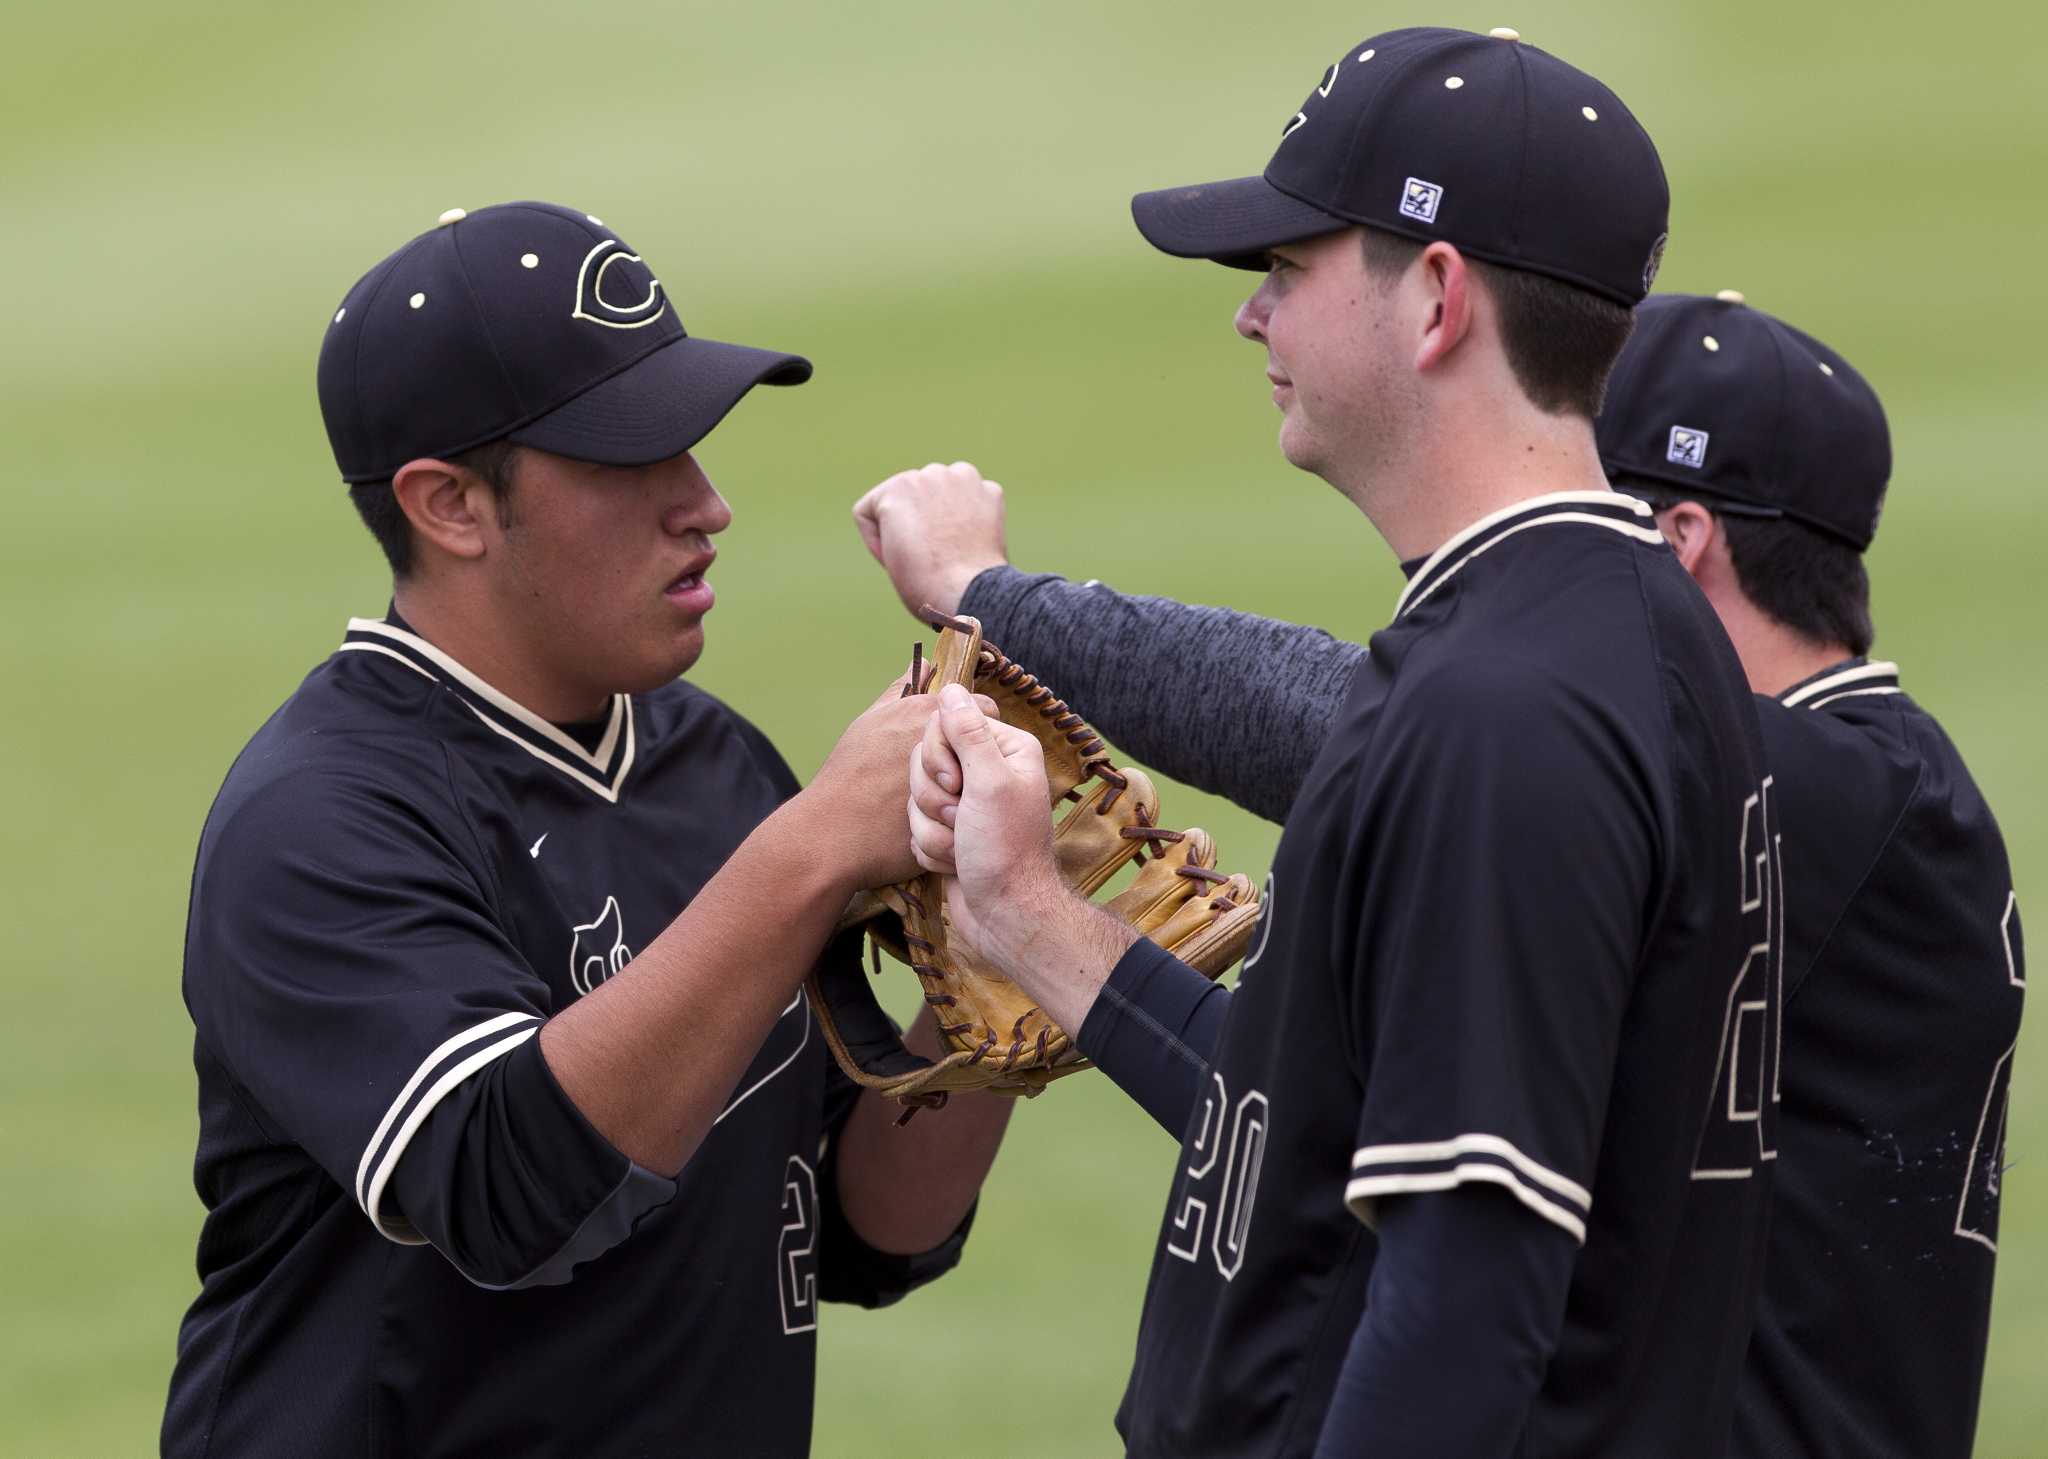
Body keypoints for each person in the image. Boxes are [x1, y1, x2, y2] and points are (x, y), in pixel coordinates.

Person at [862, 290, 2027, 1454]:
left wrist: (990, 598)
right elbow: (1332, 1126)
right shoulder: (1830, 802)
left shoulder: (1848, 800)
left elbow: (1388, 729)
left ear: (1673, 544)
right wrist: (1035, 923)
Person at [873, 28, 1781, 1458]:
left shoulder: (1503, 717)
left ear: (1433, 298)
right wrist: (1031, 913)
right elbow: (1322, 1125)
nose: (1253, 319)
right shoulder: (1611, 641)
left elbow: (1464, 1302)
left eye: (1288, 269)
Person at [163, 201, 1014, 1458]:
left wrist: (997, 957)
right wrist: (815, 844)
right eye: (631, 457)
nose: (706, 504)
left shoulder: (714, 760)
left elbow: (861, 1220)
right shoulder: (318, 821)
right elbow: (513, 1191)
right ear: (448, 504)